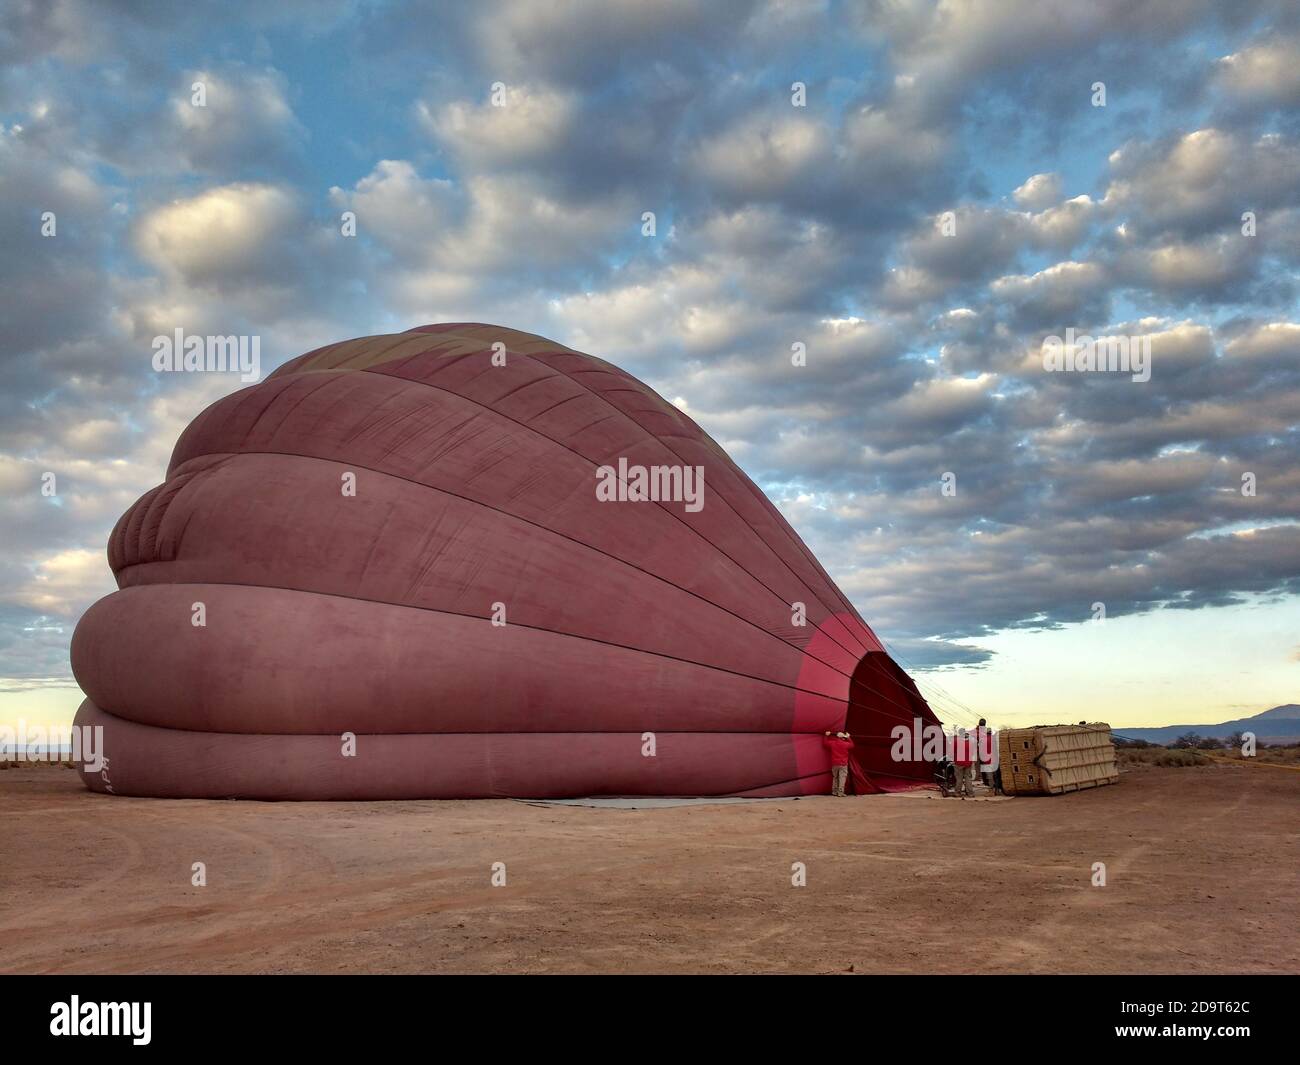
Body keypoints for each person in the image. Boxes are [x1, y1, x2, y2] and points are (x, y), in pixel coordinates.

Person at [823, 730, 854, 797]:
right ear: (843, 738)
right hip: (843, 763)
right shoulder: (846, 744)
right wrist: (848, 737)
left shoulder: (833, 743)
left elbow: (825, 743)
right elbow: (852, 745)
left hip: (835, 763)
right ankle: (840, 792)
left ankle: (834, 791)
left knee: (835, 777)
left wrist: (826, 736)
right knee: (842, 778)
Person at [951, 728, 975, 798]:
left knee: (959, 778)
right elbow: (972, 753)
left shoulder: (956, 741)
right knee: (968, 778)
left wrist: (954, 759)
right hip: (968, 763)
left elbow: (951, 752)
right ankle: (970, 793)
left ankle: (958, 793)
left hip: (959, 763)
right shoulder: (970, 742)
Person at [974, 717, 994, 790]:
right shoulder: (984, 733)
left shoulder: (977, 731)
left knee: (980, 766)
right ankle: (987, 783)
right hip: (984, 753)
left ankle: (981, 779)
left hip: (980, 751)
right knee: (985, 768)